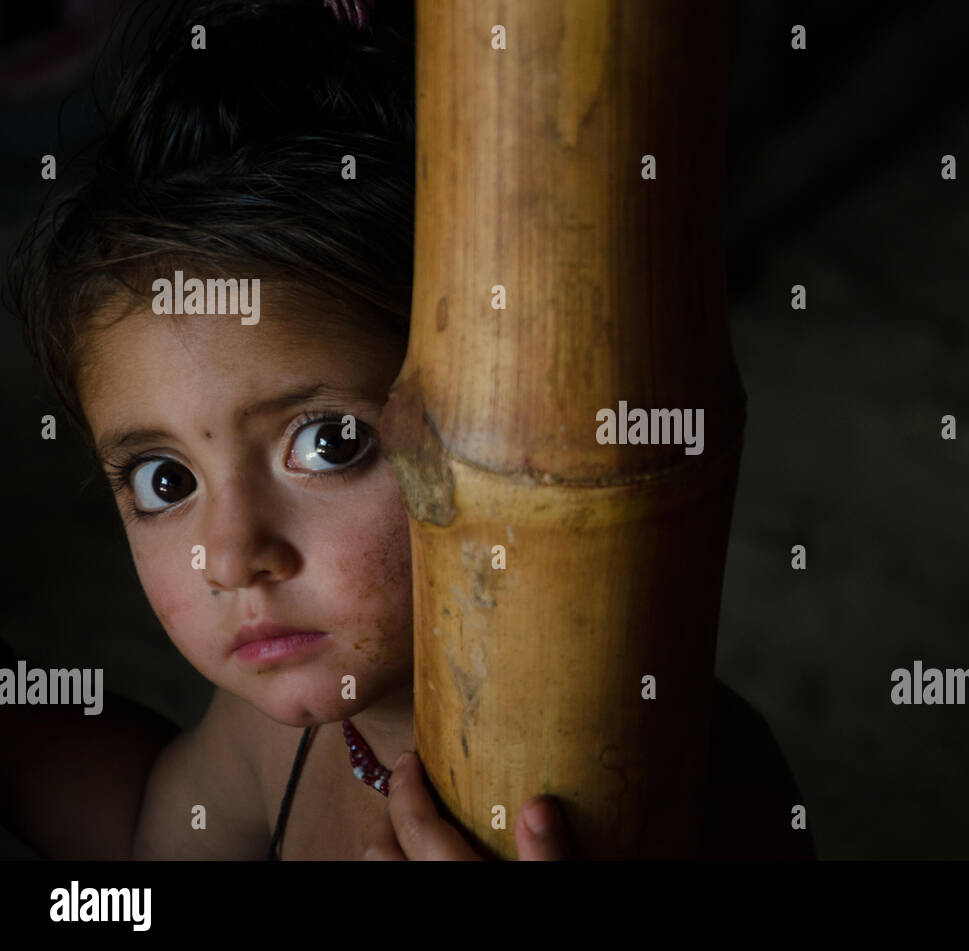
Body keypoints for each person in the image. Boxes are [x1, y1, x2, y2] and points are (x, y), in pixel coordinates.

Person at [3, 0, 813, 861]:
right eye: (166, 481)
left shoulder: (685, 771)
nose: (233, 556)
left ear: (496, 425)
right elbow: (151, 845)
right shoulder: (267, 733)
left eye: (327, 443)